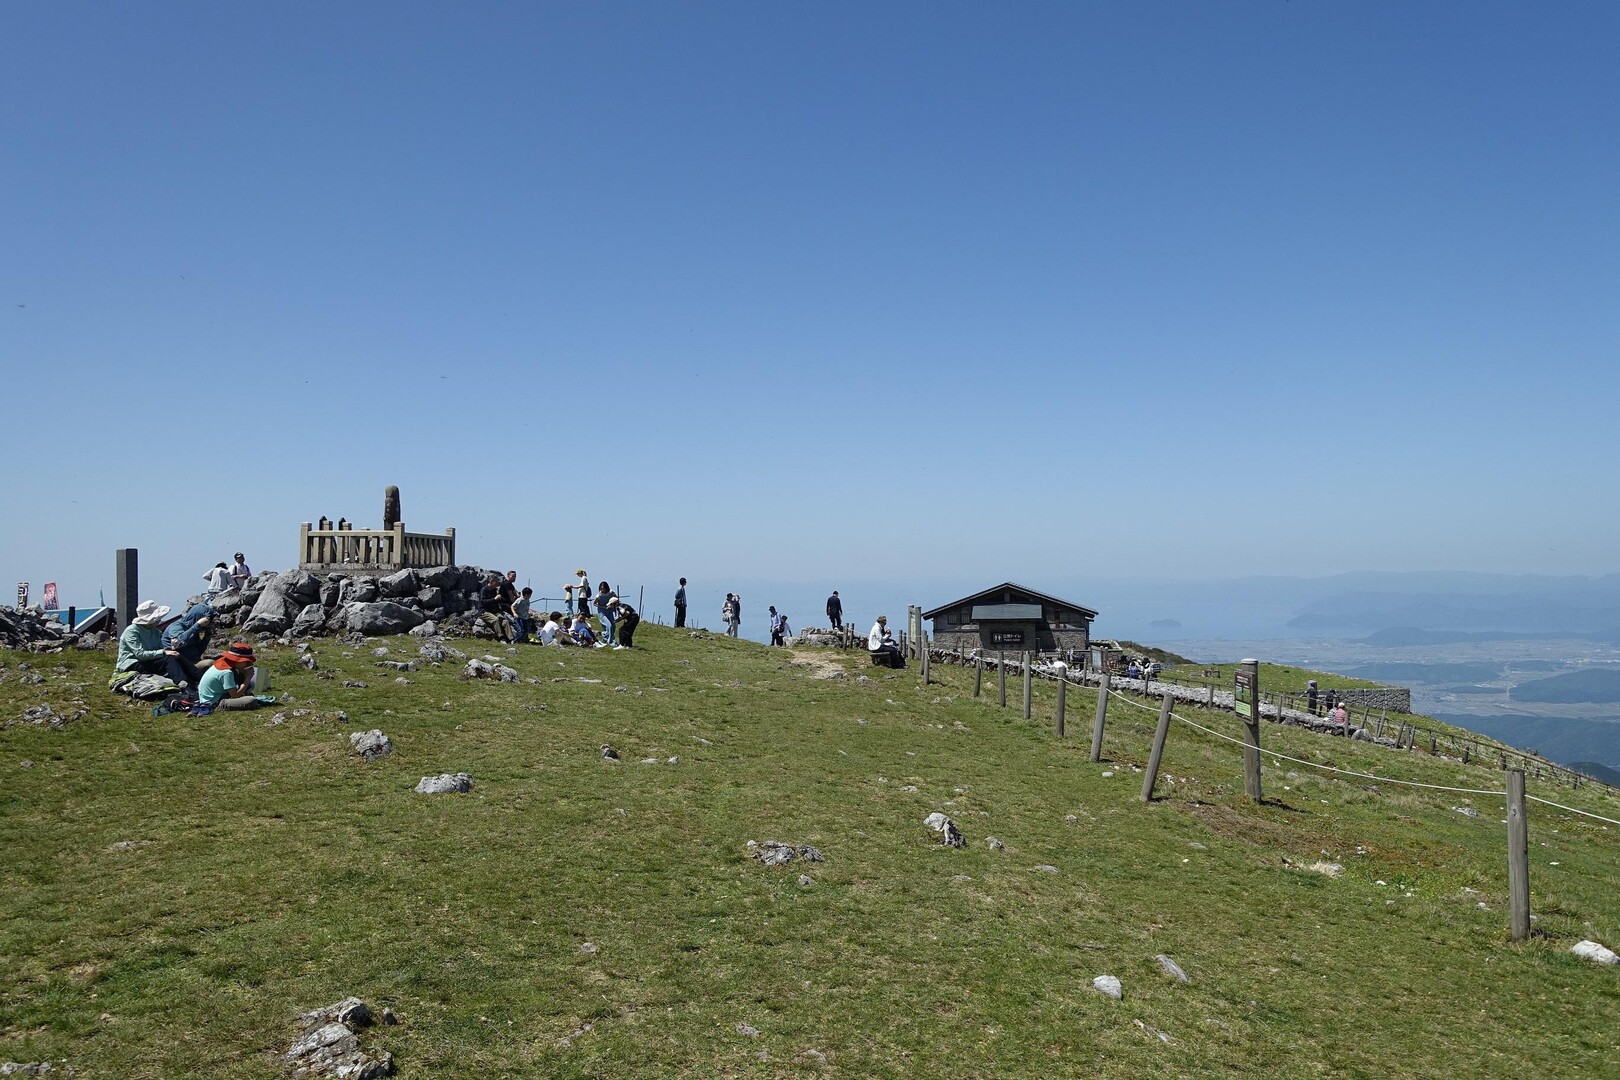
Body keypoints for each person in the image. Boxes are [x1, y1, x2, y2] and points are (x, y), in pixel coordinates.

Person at [116, 601, 194, 686]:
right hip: (131, 664)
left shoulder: (155, 631)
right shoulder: (131, 631)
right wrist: (163, 652)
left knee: (176, 656)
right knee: (168, 659)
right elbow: (140, 654)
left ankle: (198, 677)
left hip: (148, 661)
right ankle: (182, 683)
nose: (159, 620)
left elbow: (159, 649)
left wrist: (171, 650)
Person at [195, 642, 263, 711]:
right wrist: (248, 677)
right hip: (214, 702)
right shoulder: (227, 672)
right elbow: (235, 695)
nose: (248, 664)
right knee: (251, 700)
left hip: (209, 698)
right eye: (246, 662)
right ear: (237, 660)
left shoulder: (222, 662)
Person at [163, 601, 216, 685]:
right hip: (181, 666)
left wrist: (206, 637)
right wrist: (197, 625)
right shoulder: (176, 627)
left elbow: (198, 652)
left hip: (193, 662)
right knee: (210, 664)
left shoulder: (194, 631)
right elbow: (179, 642)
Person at [477, 572, 514, 642]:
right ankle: (501, 638)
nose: (497, 584)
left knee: (505, 621)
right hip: (484, 611)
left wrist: (506, 603)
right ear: (491, 581)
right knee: (495, 620)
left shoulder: (494, 590)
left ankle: (511, 639)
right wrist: (494, 599)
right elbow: (483, 602)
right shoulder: (484, 590)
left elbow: (498, 601)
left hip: (494, 611)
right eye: (496, 582)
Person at [595, 581, 617, 645]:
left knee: (613, 626)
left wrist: (612, 605)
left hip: (609, 611)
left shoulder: (611, 592)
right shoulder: (599, 595)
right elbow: (594, 603)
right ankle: (611, 641)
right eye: (601, 588)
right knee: (609, 625)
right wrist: (603, 607)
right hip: (602, 612)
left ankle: (604, 636)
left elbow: (616, 598)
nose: (602, 590)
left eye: (603, 588)